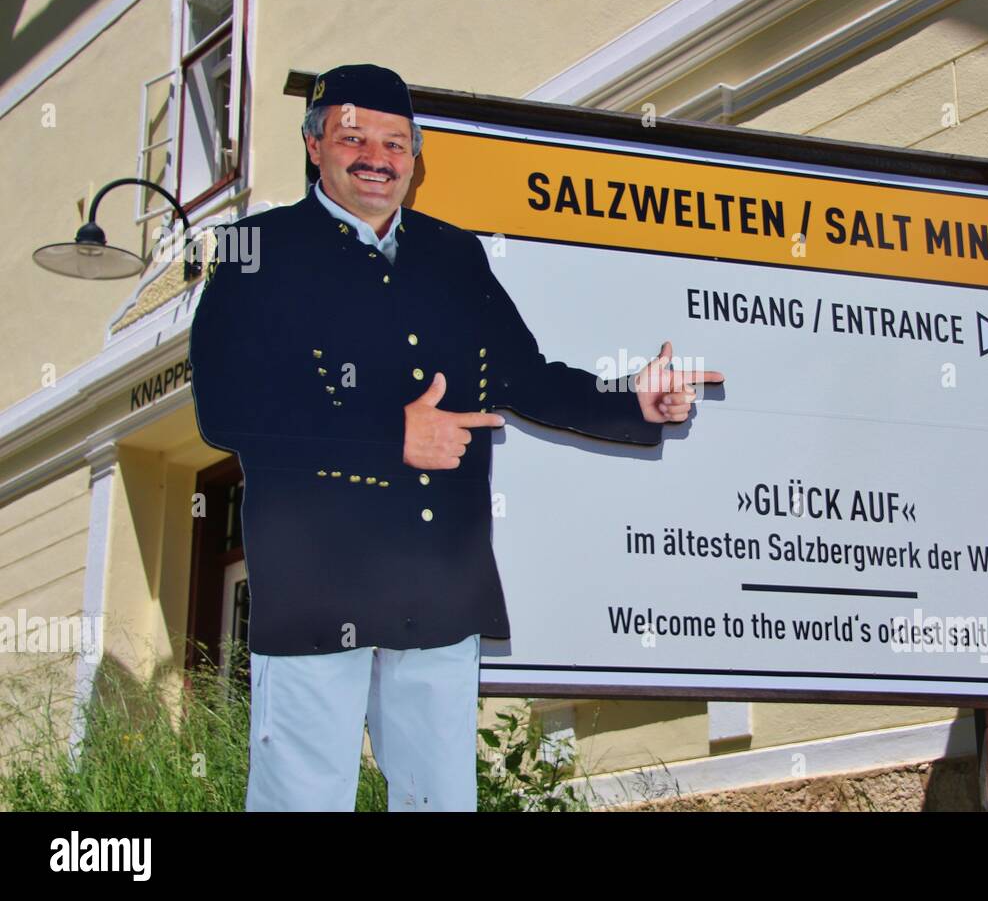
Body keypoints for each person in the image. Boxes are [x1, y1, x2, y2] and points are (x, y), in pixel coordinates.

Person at [187, 63, 724, 811]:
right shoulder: (250, 249)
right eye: (353, 137)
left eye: (396, 143)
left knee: (440, 801)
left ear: (415, 157)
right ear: (314, 145)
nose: (377, 156)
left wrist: (631, 397)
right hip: (314, 584)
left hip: (436, 581)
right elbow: (228, 405)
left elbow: (525, 378)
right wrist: (388, 435)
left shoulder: (453, 254)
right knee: (301, 801)